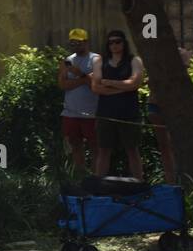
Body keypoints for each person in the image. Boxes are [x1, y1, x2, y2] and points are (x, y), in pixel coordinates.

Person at [91, 29, 145, 179]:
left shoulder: (134, 60)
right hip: (105, 113)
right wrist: (123, 88)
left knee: (132, 150)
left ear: (124, 43)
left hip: (129, 113)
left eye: (117, 41)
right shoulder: (99, 61)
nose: (114, 45)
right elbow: (96, 87)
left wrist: (110, 83)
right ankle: (99, 183)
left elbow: (135, 83)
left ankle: (139, 183)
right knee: (103, 150)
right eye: (111, 42)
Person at [146, 46, 193, 185]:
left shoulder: (181, 53)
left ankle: (185, 180)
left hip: (176, 106)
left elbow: (182, 79)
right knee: (164, 146)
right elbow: (150, 82)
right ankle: (171, 182)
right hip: (156, 105)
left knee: (178, 144)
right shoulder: (154, 54)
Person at [57, 28, 99, 174]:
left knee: (95, 148)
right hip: (71, 112)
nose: (75, 45)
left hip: (92, 113)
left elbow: (96, 84)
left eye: (78, 42)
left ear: (86, 42)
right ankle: (80, 177)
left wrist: (79, 74)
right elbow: (63, 85)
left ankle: (96, 179)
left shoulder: (96, 59)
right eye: (72, 43)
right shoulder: (67, 61)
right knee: (75, 146)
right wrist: (84, 79)